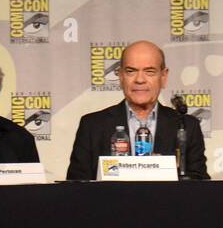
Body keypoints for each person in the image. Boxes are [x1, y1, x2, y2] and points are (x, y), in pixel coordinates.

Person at [66, 40, 208, 180]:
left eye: (149, 72)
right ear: (121, 76)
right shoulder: (92, 125)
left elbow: (200, 184)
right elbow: (76, 187)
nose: (140, 79)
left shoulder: (186, 126)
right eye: (131, 71)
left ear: (163, 77)